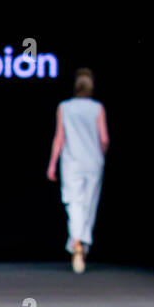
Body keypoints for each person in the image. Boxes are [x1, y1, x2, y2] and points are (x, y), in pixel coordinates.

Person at [46, 68, 108, 273]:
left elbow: (59, 137)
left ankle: (77, 243)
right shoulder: (97, 108)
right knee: (89, 204)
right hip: (93, 161)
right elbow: (104, 139)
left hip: (71, 161)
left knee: (74, 203)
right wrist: (101, 153)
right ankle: (81, 243)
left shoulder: (64, 107)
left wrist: (52, 164)